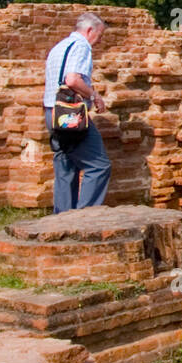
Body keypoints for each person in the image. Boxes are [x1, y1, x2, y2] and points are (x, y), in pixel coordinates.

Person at [43, 12, 111, 213]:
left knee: (66, 166)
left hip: (51, 112)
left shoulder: (59, 46)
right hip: (70, 115)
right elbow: (72, 79)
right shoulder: (82, 46)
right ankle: (85, 219)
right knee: (99, 166)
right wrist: (93, 95)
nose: (99, 41)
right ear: (90, 30)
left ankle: (62, 219)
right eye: (99, 35)